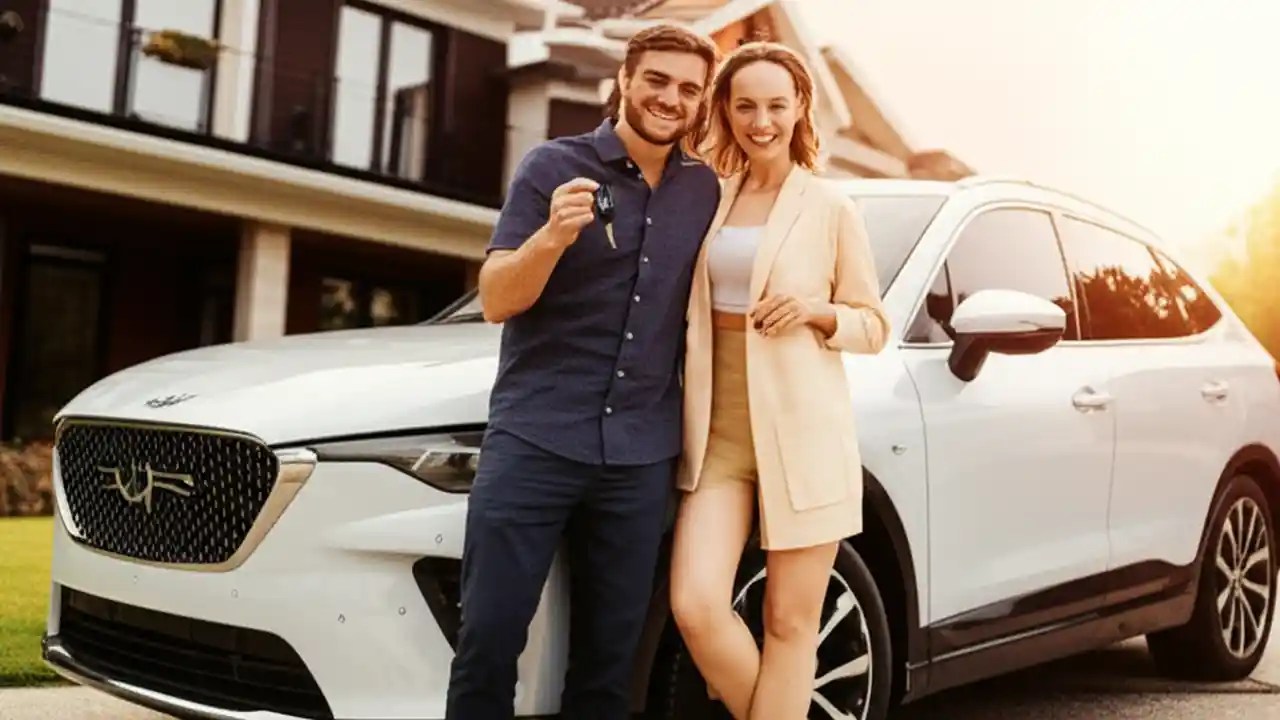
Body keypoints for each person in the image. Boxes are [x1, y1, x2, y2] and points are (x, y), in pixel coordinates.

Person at [445, 24, 722, 720]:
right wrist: (551, 237)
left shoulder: (707, 193)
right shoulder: (551, 167)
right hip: (535, 442)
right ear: (625, 79)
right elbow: (497, 299)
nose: (670, 98)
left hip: (640, 458)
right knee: (487, 640)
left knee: (610, 663)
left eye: (689, 88)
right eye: (657, 79)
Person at [669, 41, 891, 720]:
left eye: (775, 104)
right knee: (697, 604)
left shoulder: (830, 207)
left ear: (800, 108)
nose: (760, 120)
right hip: (718, 441)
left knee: (790, 626)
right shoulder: (709, 196)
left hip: (804, 440)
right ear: (726, 111)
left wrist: (817, 312)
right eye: (745, 105)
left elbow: (873, 324)